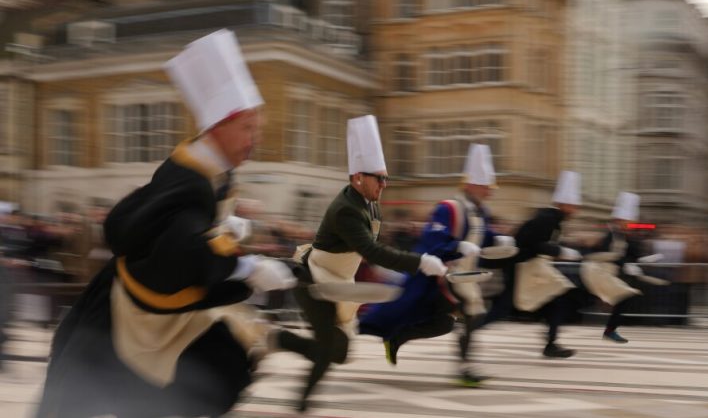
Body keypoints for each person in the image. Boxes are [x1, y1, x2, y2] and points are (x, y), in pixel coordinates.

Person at [35, 29, 296, 418]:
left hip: (127, 307)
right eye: (247, 129)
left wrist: (225, 229)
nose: (254, 139)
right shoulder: (194, 183)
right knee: (218, 364)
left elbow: (173, 227)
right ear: (219, 126)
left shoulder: (202, 169)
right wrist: (249, 268)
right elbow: (183, 249)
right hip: (130, 317)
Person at [275, 115, 447, 413]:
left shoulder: (371, 206)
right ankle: (301, 405)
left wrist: (400, 272)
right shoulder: (346, 210)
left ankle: (281, 340)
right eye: (379, 178)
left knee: (340, 353)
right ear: (357, 177)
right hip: (313, 281)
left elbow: (373, 251)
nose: (384, 184)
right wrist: (420, 262)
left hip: (339, 282)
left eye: (386, 178)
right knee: (327, 348)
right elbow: (371, 249)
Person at [359, 143, 513, 387]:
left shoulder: (480, 212)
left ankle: (397, 338)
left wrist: (499, 240)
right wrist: (458, 246)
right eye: (486, 187)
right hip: (443, 276)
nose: (489, 192)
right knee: (472, 312)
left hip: (466, 276)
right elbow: (433, 240)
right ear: (471, 185)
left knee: (443, 325)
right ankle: (465, 369)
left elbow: (482, 237)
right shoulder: (448, 208)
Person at [481, 170, 583, 358]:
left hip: (529, 267)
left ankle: (551, 343)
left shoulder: (553, 219)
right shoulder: (547, 219)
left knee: (555, 299)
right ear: (564, 204)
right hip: (522, 267)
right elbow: (535, 244)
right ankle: (471, 329)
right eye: (574, 205)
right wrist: (560, 251)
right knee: (504, 307)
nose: (576, 210)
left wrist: (557, 251)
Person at [582, 192, 663, 343]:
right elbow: (608, 255)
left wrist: (643, 259)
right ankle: (608, 329)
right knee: (619, 297)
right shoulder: (610, 235)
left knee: (624, 297)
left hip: (612, 275)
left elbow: (630, 253)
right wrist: (625, 264)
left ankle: (610, 330)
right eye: (628, 221)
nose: (629, 225)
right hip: (598, 274)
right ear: (619, 220)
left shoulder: (624, 235)